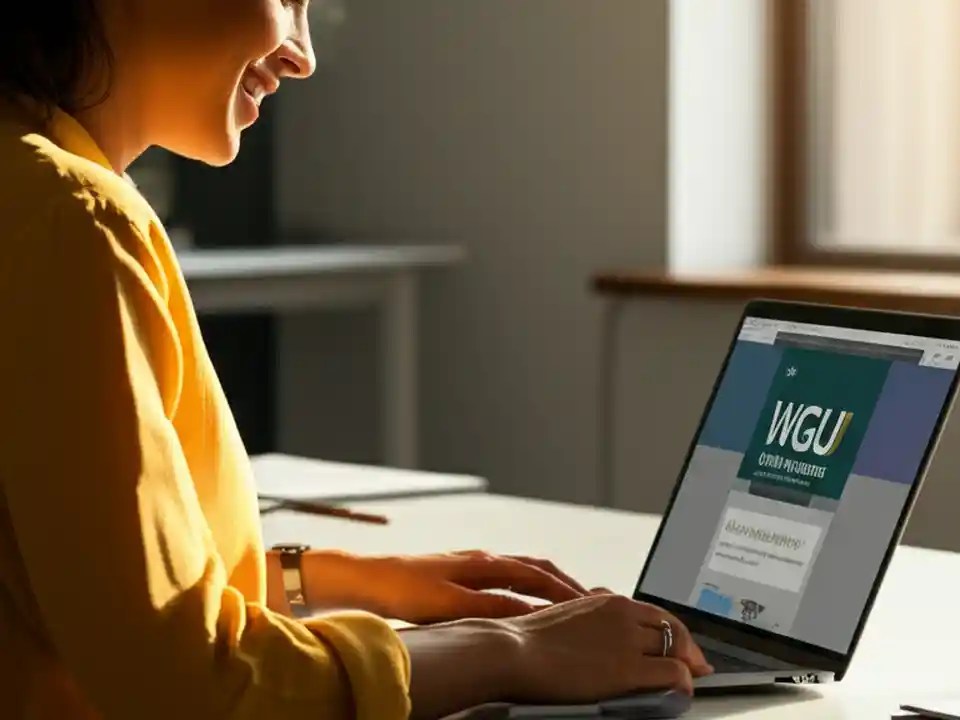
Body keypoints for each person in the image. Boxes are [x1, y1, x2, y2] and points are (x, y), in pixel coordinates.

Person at [0, 2, 711, 718]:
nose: (302, 54)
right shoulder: (72, 219)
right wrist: (508, 650)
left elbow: (80, 587)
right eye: (289, 1)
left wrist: (345, 578)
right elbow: (194, 687)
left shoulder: (33, 188)